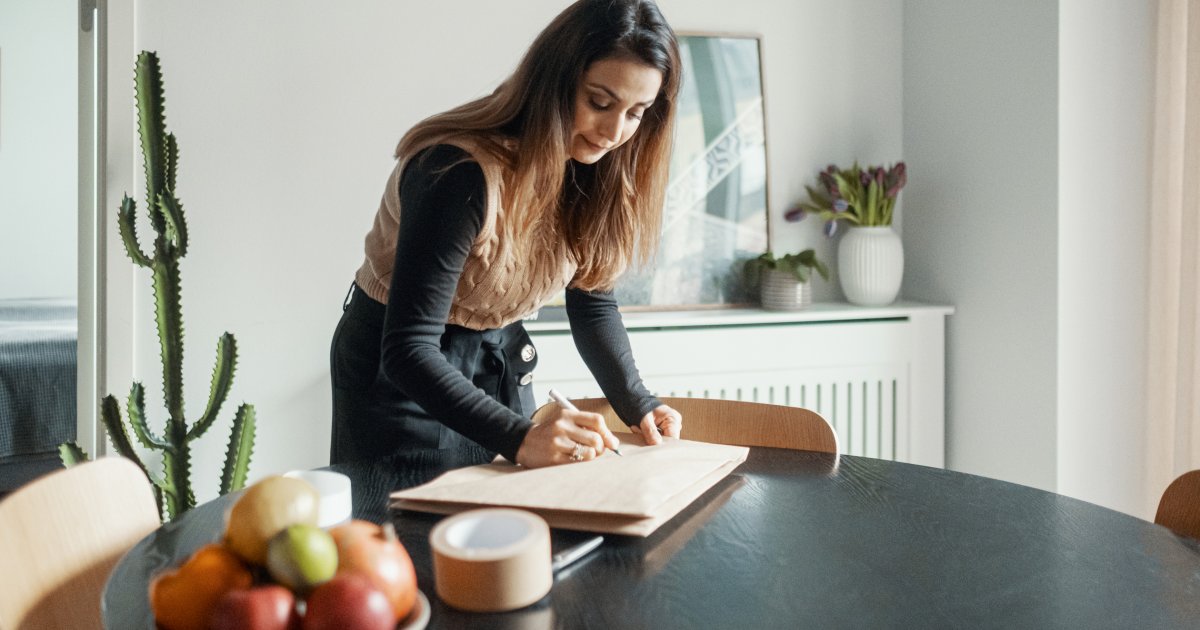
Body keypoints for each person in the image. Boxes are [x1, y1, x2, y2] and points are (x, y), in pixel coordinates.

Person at [330, 0, 684, 469]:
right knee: (407, 535)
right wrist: (521, 437)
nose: (614, 131)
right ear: (555, 82)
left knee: (509, 526)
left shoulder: (595, 169)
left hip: (499, 360)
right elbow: (409, 348)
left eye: (637, 113)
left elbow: (593, 301)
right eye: (599, 102)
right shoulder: (457, 172)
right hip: (399, 379)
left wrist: (637, 401)